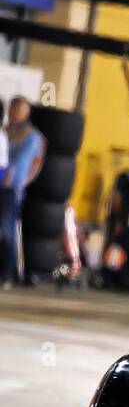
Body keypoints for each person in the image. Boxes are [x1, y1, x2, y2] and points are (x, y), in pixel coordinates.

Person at [1, 96, 45, 288]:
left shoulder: (34, 137)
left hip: (13, 190)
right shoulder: (3, 133)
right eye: (13, 107)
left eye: (20, 108)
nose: (15, 111)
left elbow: (36, 162)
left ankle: (7, 272)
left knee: (7, 230)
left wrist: (24, 181)